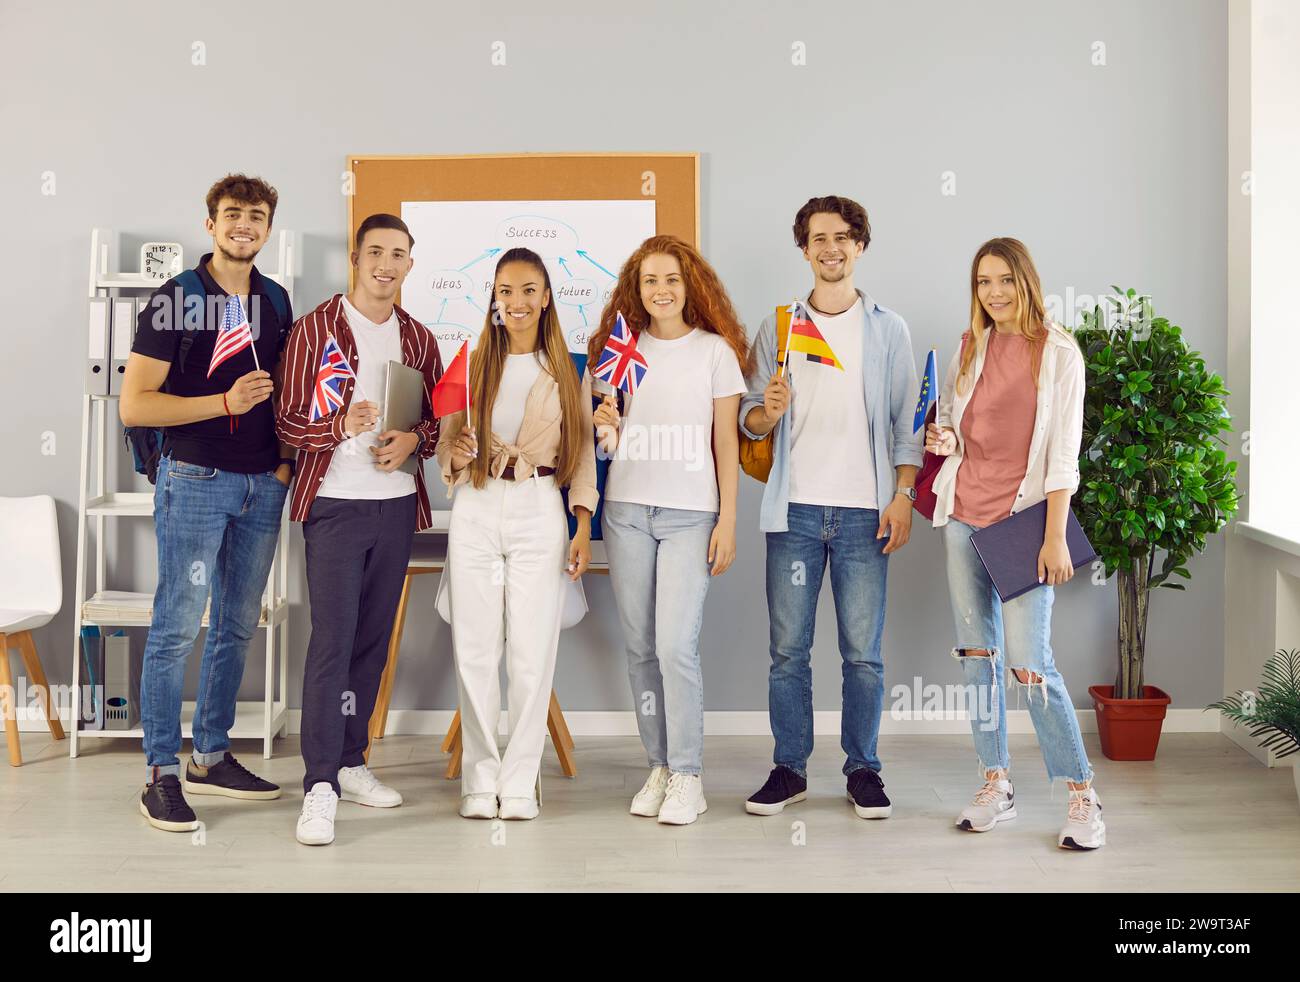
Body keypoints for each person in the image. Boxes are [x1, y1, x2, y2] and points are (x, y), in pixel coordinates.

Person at [739, 196, 922, 820]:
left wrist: (901, 497)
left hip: (863, 516)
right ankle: (789, 769)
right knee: (788, 650)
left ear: (860, 245)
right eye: (819, 238)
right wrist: (771, 408)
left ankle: (863, 770)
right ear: (804, 248)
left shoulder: (887, 329)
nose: (831, 248)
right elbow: (750, 422)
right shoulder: (781, 326)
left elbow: (906, 425)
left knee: (863, 653)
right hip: (793, 512)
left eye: (843, 237)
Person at [121, 174, 294, 832]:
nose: (243, 225)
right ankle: (161, 773)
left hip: (261, 486)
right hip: (194, 477)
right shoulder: (178, 300)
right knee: (176, 626)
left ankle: (211, 755)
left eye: (255, 216)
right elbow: (135, 403)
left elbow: (288, 394)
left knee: (237, 625)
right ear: (211, 225)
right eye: (231, 215)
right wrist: (223, 403)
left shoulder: (277, 301)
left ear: (268, 229)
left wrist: (281, 467)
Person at [924, 236, 1105, 850]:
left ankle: (1082, 796)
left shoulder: (1058, 354)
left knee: (1032, 666)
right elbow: (961, 425)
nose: (994, 293)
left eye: (1004, 280)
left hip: (1024, 524)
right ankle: (996, 783)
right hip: (963, 517)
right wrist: (944, 439)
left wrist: (1055, 537)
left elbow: (1063, 458)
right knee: (978, 657)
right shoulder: (970, 346)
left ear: (1026, 281)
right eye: (983, 282)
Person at [275, 213, 444, 846]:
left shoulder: (420, 339)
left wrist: (411, 442)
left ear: (409, 263)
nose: (386, 263)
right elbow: (287, 424)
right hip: (336, 507)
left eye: (398, 254)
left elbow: (435, 426)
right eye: (376, 251)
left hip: (396, 506)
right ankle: (318, 784)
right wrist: (338, 426)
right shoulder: (314, 330)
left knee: (372, 642)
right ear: (356, 256)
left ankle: (352, 761)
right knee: (332, 642)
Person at [589, 235, 749, 826]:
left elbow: (726, 443)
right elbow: (605, 436)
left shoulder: (714, 353)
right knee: (639, 648)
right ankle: (658, 765)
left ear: (690, 286)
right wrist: (604, 417)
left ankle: (688, 773)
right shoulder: (618, 351)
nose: (661, 290)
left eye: (672, 280)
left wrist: (727, 520)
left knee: (674, 645)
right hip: (627, 509)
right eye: (650, 280)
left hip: (690, 514)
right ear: (636, 289)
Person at [435, 247, 597, 821]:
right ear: (494, 297)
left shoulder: (569, 369)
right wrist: (453, 452)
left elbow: (580, 457)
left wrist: (581, 525)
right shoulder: (474, 362)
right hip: (479, 506)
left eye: (529, 290)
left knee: (532, 653)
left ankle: (521, 780)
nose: (517, 301)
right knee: (475, 649)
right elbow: (446, 446)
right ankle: (480, 780)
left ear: (546, 296)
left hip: (539, 508)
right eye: (506, 290)